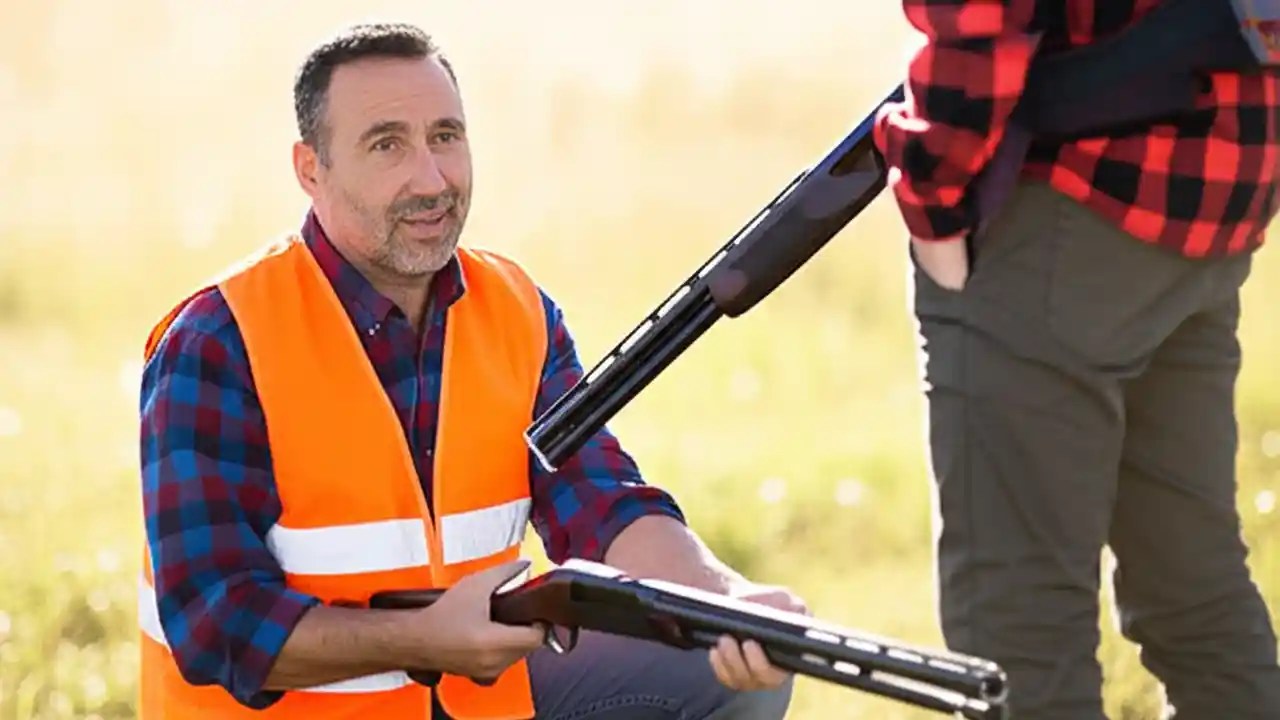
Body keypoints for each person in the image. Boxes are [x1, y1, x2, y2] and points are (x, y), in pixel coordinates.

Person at [136, 22, 803, 720]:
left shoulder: (516, 313)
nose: (431, 179)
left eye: (445, 136)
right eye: (387, 144)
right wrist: (420, 640)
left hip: (470, 705)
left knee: (730, 667)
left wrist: (724, 600)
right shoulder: (219, 340)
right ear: (311, 169)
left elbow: (600, 498)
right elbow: (216, 620)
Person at [872, 1, 1280, 718]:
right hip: (1220, 180)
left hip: (1068, 189)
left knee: (1019, 630)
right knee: (1194, 588)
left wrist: (933, 189)